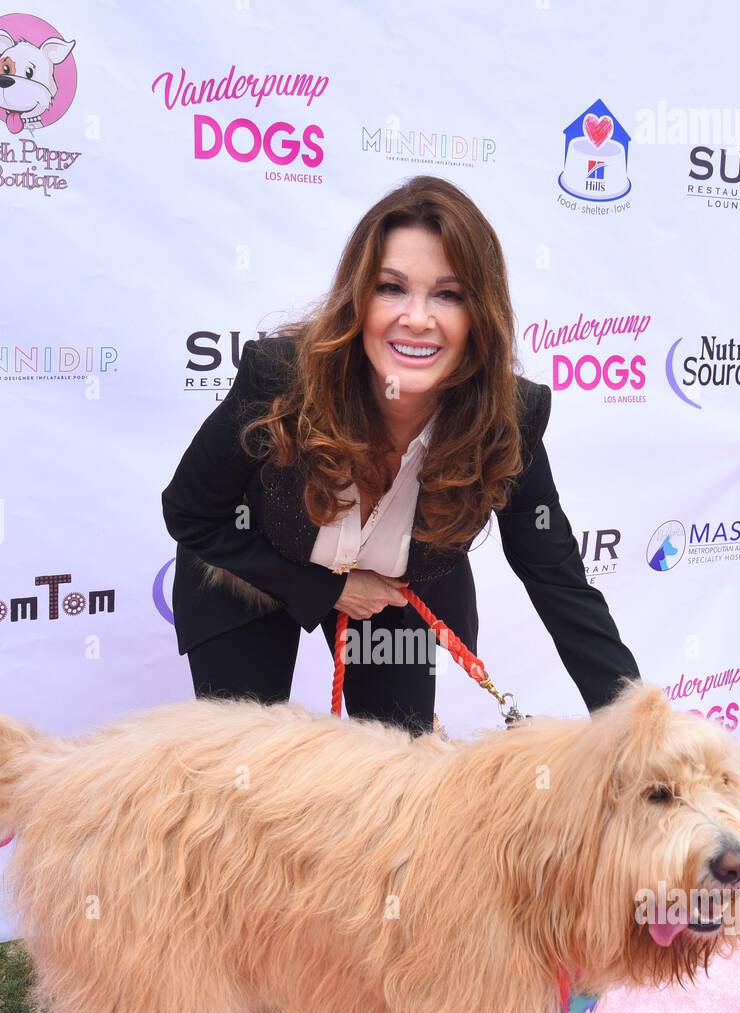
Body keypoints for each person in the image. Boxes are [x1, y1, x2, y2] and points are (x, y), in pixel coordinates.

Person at [161, 175, 639, 736]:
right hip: (252, 574)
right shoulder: (281, 379)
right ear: (358, 299)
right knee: (239, 766)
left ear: (479, 314)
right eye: (391, 288)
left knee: (395, 779)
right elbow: (190, 511)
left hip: (396, 594)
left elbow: (556, 576)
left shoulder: (508, 418)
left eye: (448, 293)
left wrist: (633, 722)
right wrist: (330, 590)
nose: (417, 317)